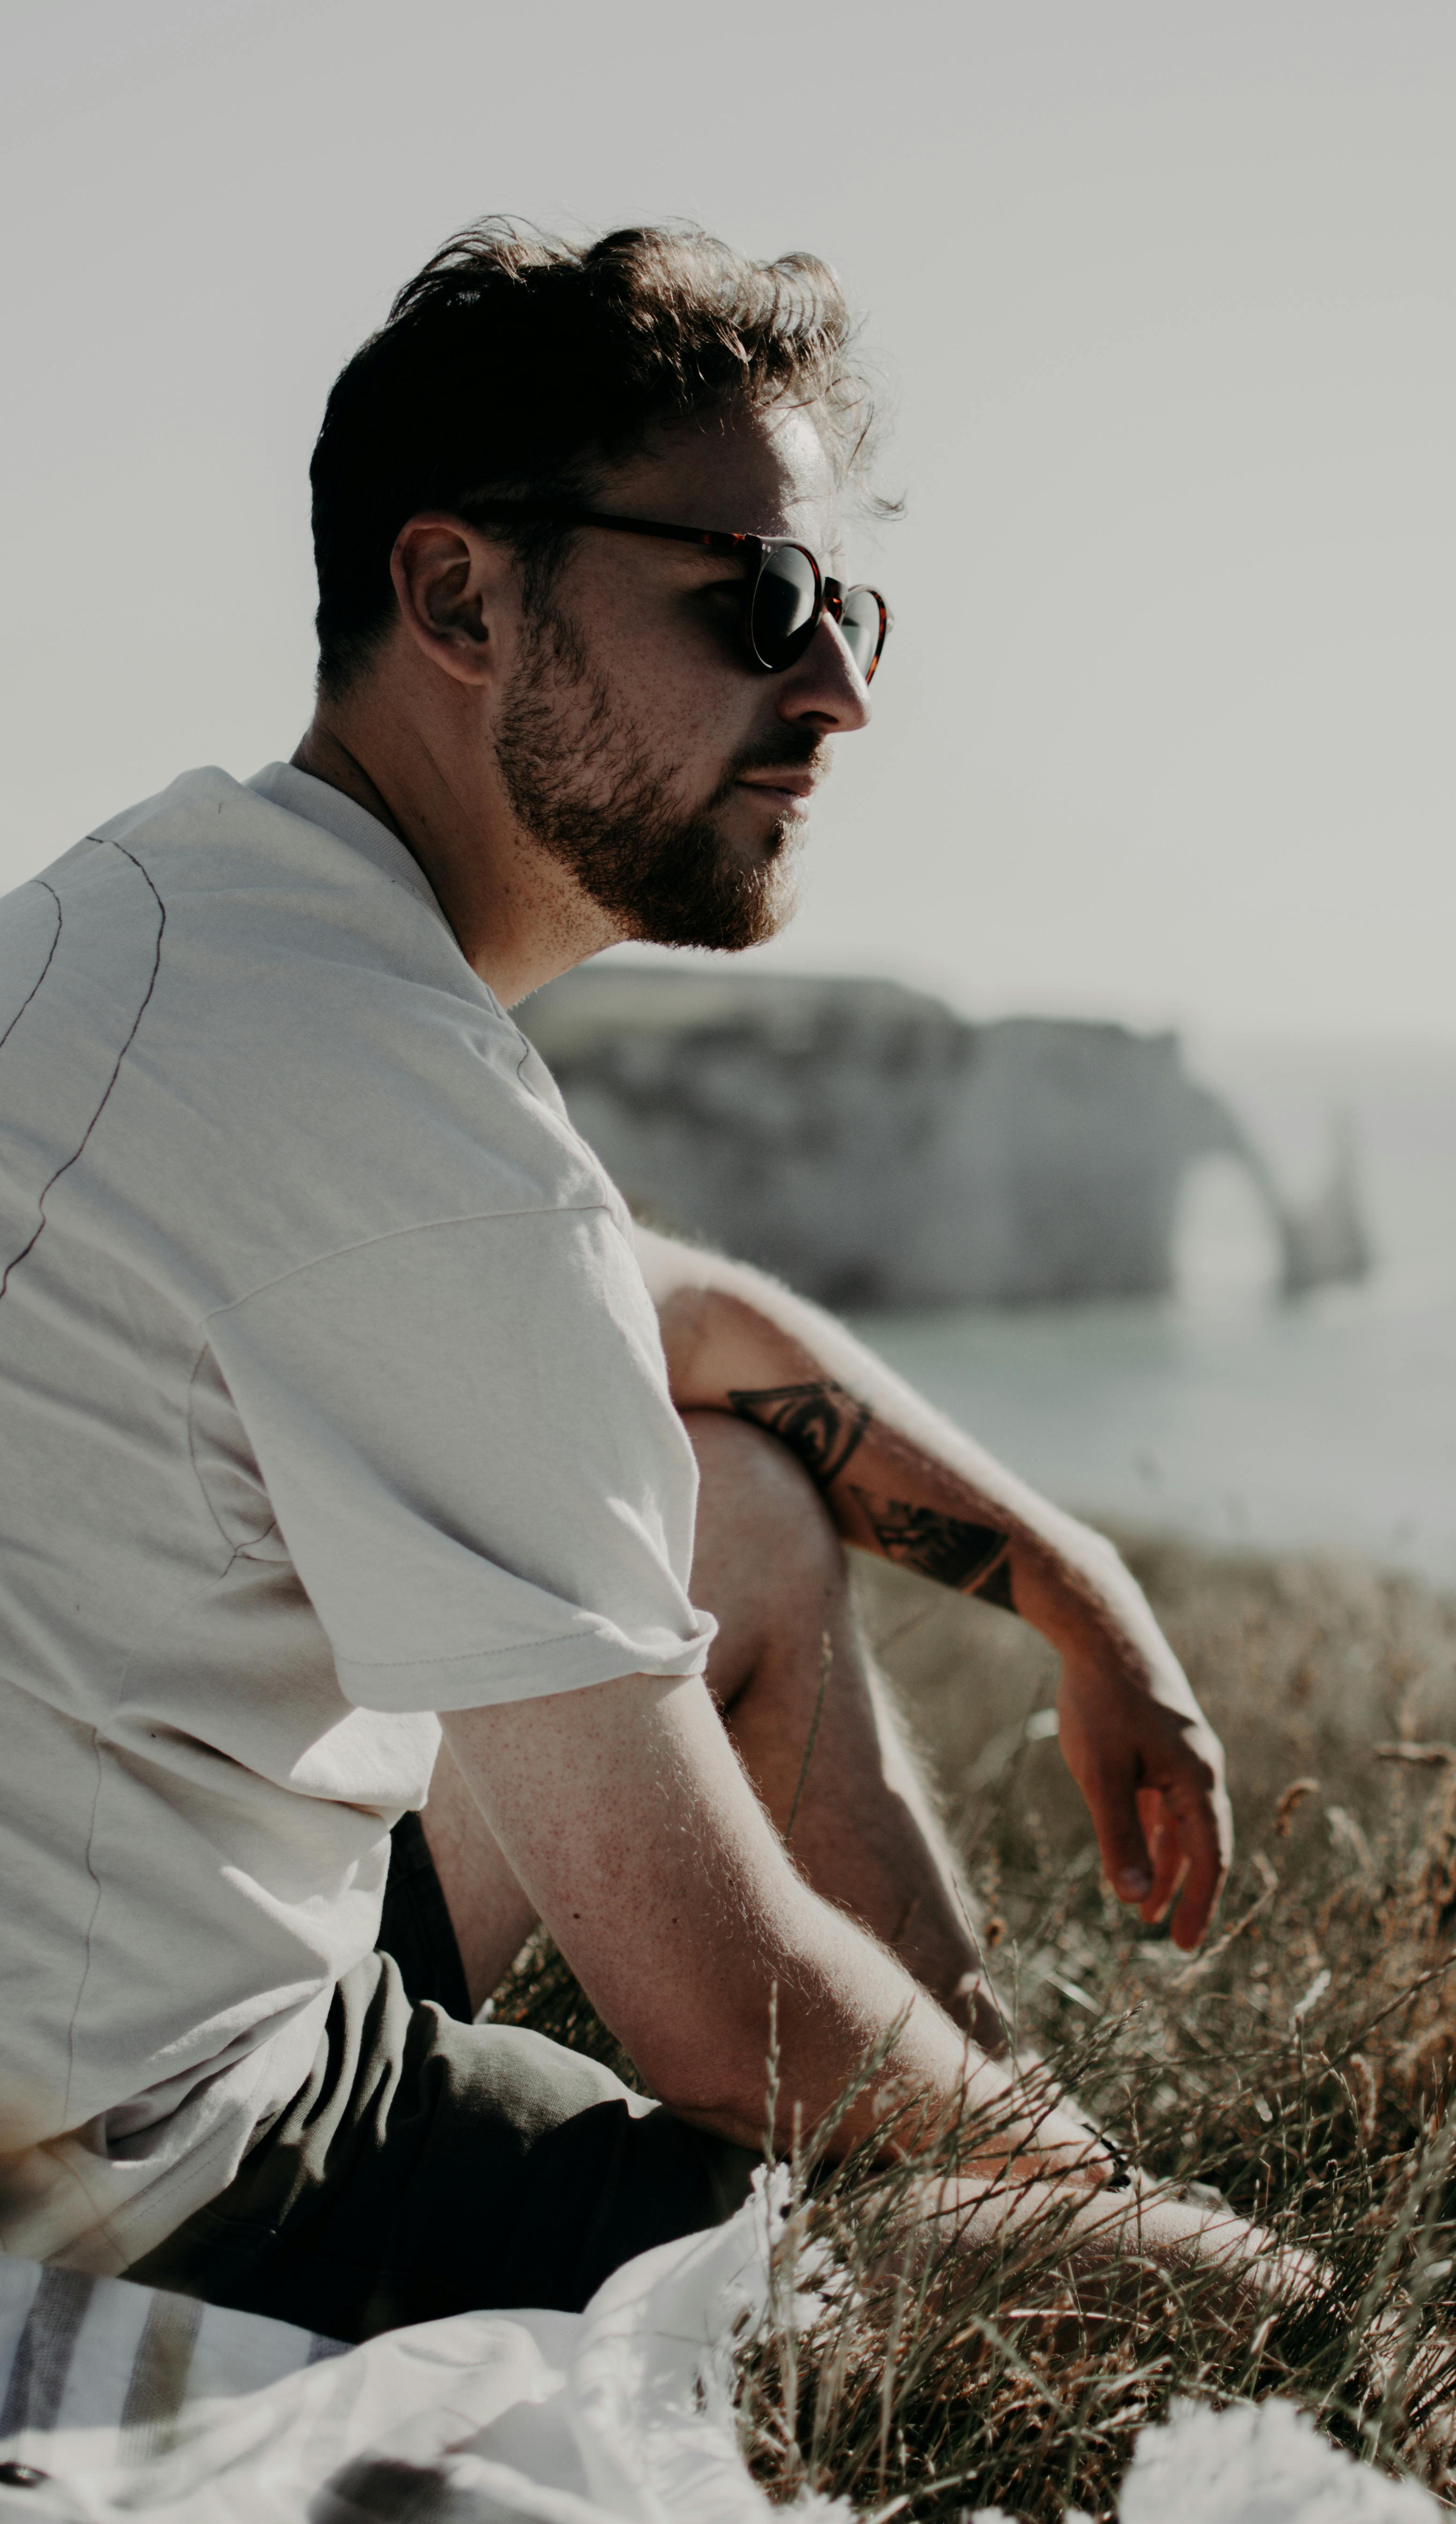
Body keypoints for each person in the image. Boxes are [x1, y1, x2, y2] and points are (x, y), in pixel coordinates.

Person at [0, 221, 1248, 2342]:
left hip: (89, 1978)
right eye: (757, 600)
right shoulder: (403, 1128)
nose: (839, 690)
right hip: (163, 2170)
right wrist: (1108, 2212)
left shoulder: (188, 916)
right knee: (1206, 2308)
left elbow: (663, 1319)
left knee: (739, 1504)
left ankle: (1009, 2138)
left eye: (849, 608)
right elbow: (721, 2006)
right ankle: (1099, 2218)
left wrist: (1069, 1579)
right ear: (460, 597)